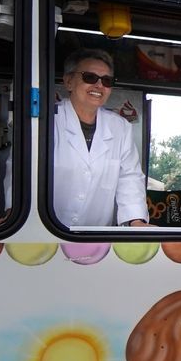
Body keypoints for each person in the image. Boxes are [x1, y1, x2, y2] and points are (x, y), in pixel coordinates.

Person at [53, 48, 149, 227]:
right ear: (68, 82)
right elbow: (22, 170)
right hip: (45, 234)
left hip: (96, 239)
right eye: (89, 77)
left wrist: (135, 221)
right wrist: (13, 212)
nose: (99, 86)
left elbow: (129, 178)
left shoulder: (120, 128)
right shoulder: (47, 122)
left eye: (106, 81)